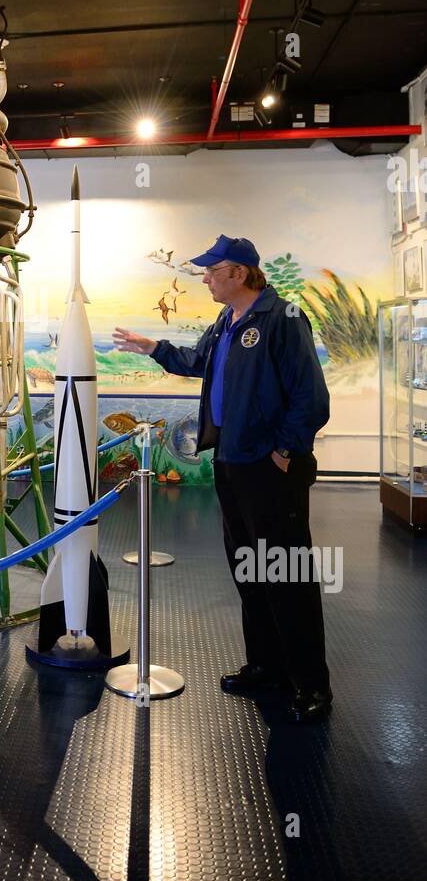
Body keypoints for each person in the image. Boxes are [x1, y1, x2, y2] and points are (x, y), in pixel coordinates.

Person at [113, 235, 332, 723]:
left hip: (270, 467)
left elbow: (310, 397)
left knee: (285, 574)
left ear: (238, 273)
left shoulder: (284, 320)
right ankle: (267, 666)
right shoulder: (226, 322)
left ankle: (311, 685)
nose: (206, 279)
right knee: (249, 569)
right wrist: (152, 346)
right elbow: (196, 363)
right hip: (231, 462)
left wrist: (286, 450)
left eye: (212, 271)